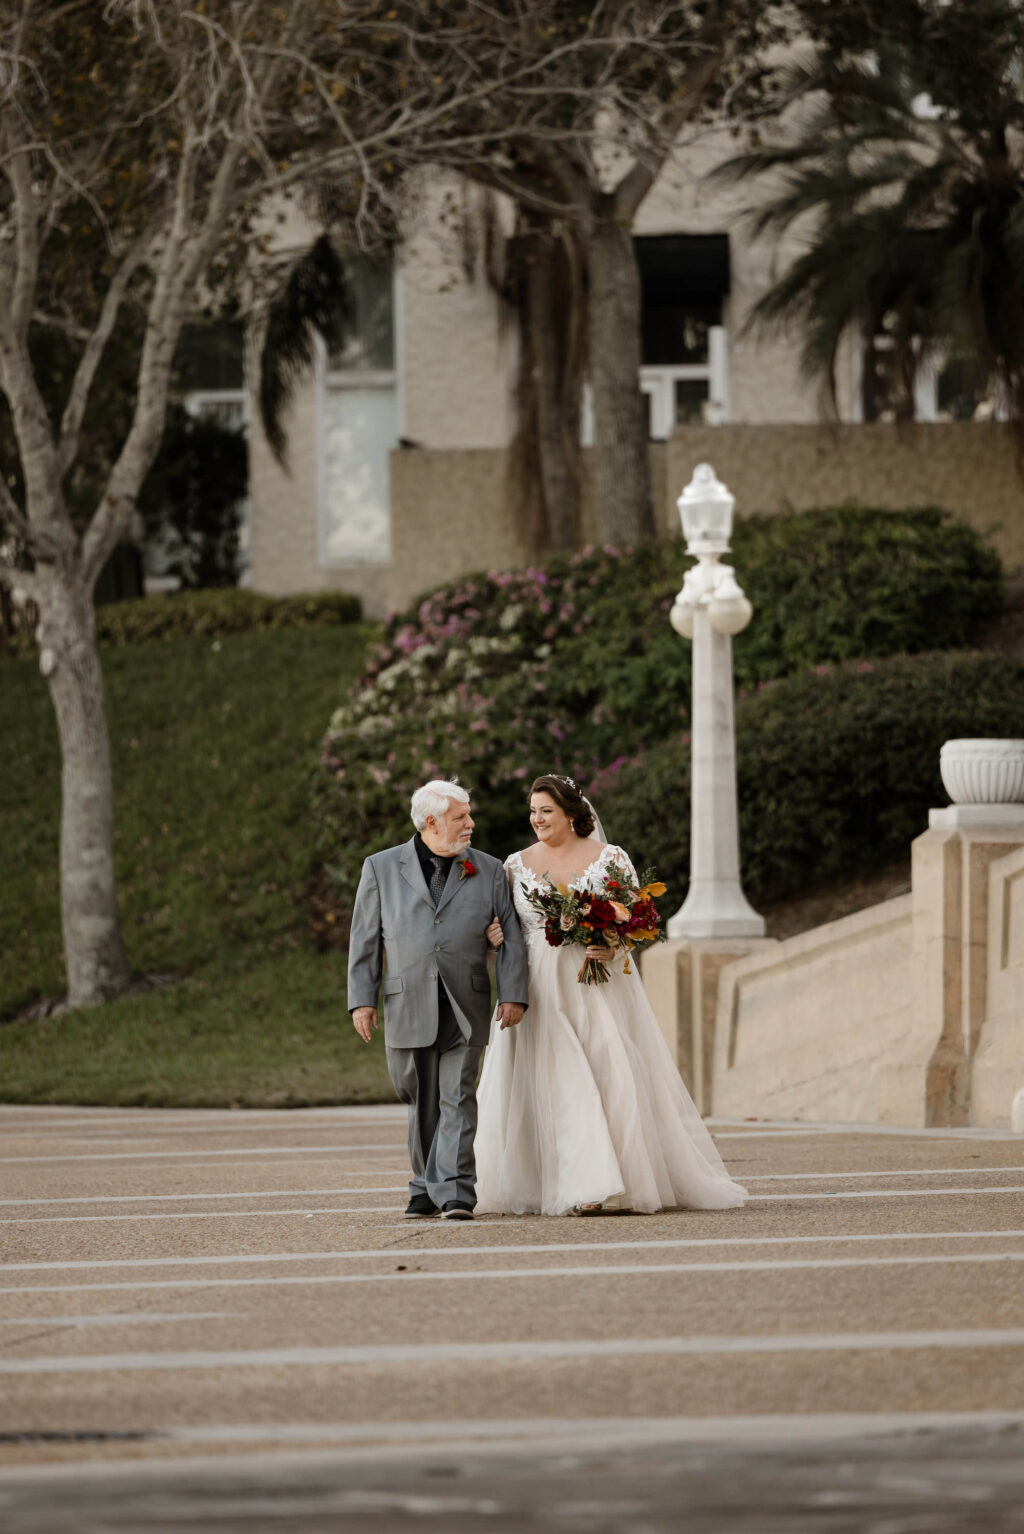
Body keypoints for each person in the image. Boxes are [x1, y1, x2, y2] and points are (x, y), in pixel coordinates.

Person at [474, 774, 748, 1217]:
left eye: (546, 810)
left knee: (606, 1073)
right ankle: (568, 1179)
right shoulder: (514, 865)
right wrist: (493, 935)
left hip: (596, 983)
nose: (537, 819)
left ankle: (602, 1183)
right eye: (533, 811)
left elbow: (638, 920)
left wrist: (614, 942)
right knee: (553, 1077)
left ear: (570, 813)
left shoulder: (611, 858)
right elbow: (502, 928)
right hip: (538, 986)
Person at [348, 779, 528, 1222]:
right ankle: (423, 1186)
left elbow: (512, 937)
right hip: (407, 1002)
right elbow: (365, 939)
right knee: (418, 1098)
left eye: (468, 814)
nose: (471, 823)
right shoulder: (381, 867)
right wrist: (361, 1000)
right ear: (431, 822)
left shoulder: (487, 870)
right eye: (460, 817)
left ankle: (457, 1193)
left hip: (467, 1001)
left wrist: (514, 993)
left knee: (459, 1096)